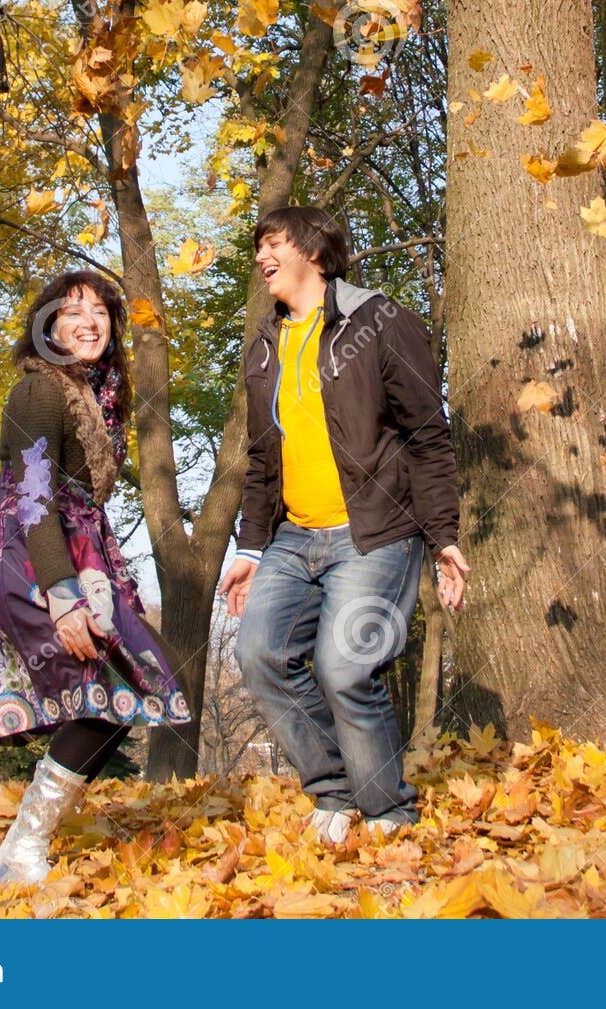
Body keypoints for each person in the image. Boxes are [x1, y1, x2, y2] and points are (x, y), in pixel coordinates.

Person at [218, 206, 469, 844]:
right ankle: (333, 793)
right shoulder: (264, 349)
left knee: (345, 666)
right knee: (259, 654)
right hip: (292, 538)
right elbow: (260, 462)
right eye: (259, 247)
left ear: (314, 251)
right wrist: (249, 547)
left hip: (374, 534)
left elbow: (427, 436)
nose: (261, 257)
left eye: (273, 244)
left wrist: (443, 536)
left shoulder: (381, 322)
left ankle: (388, 812)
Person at [0, 270, 190, 886]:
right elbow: (34, 500)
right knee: (114, 686)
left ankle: (27, 839)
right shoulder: (40, 392)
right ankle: (23, 847)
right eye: (73, 312)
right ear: (48, 326)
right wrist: (62, 596)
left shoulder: (98, 396)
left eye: (102, 314)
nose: (89, 323)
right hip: (31, 553)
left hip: (79, 549)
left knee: (140, 683)